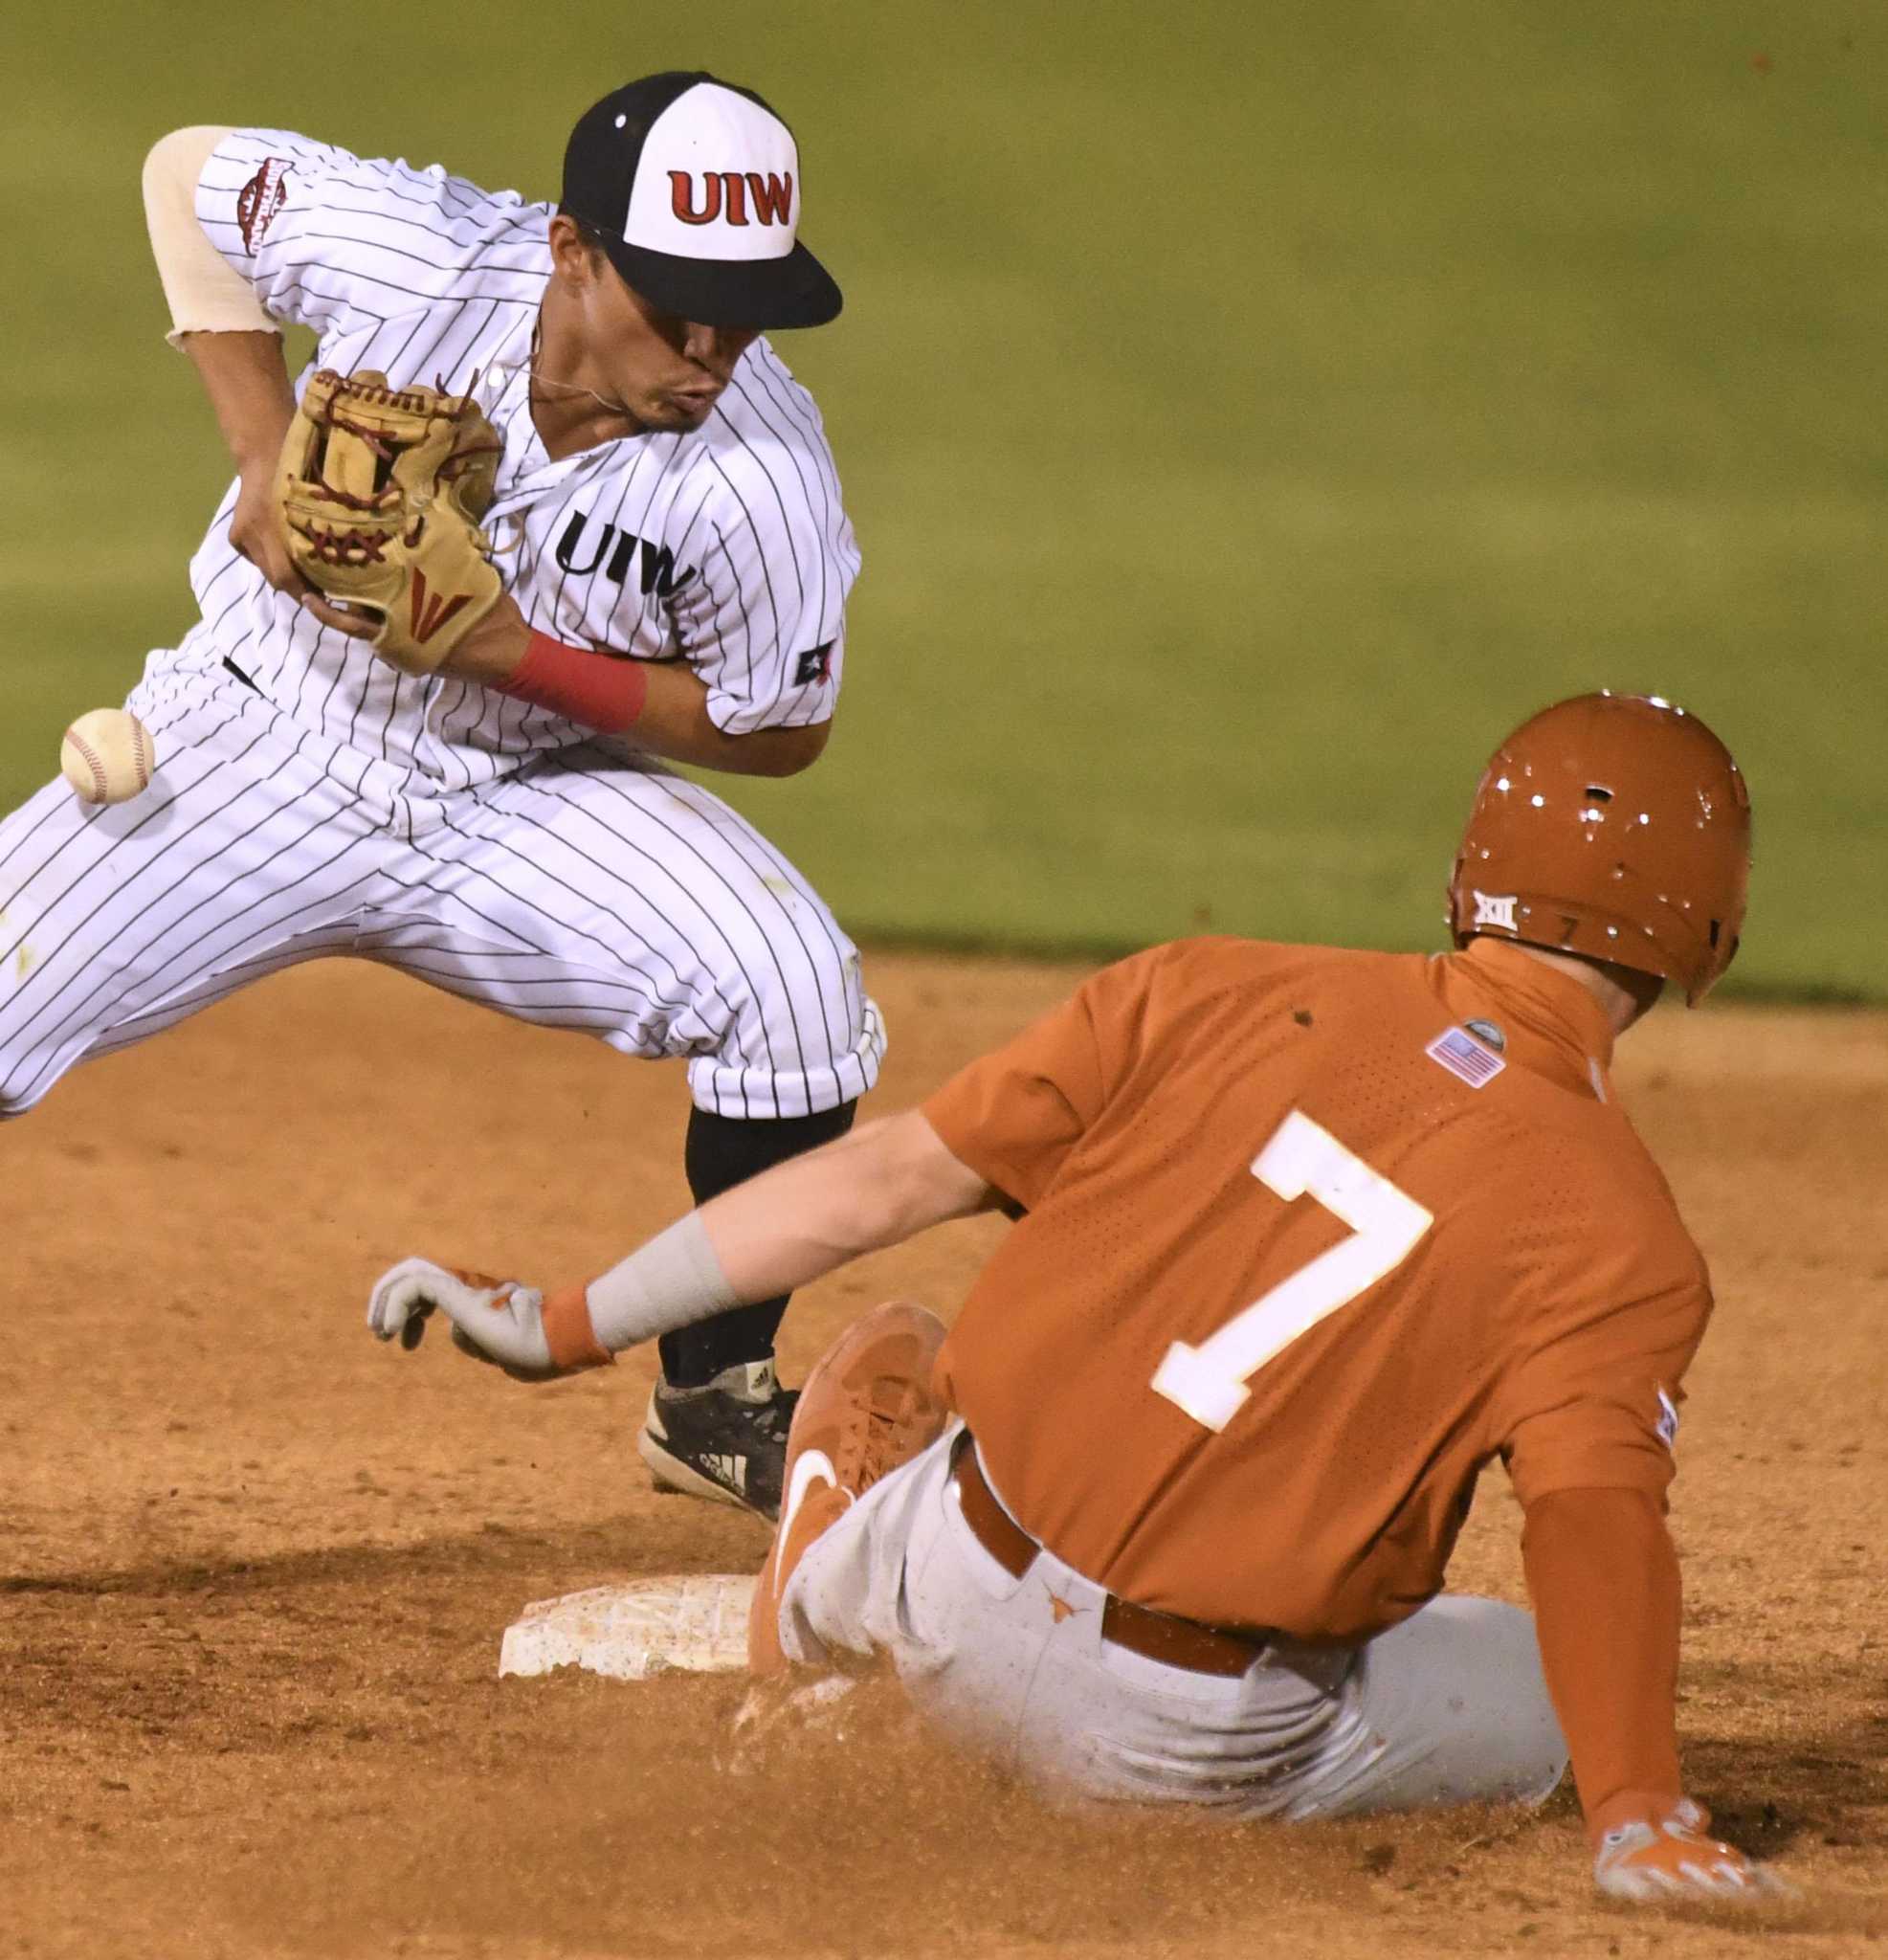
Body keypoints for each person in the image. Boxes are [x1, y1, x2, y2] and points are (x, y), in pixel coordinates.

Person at [367, 692, 1788, 1906]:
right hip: (1182, 1745)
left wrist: (569, 1323)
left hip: (946, 1589)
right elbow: (1594, 1524)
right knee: (1543, 1692)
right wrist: (1635, 1810)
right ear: (1703, 935)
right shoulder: (1624, 1244)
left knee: (896, 1357)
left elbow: (875, 1185)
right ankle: (896, 1654)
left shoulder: (1211, 988)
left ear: (1472, 872)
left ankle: (814, 1616)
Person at [0, 71, 881, 1520]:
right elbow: (186, 174)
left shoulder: (762, 472)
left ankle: (712, 1404)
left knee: (791, 989)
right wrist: (261, 451)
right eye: (676, 305)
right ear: (571, 251)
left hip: (517, 800)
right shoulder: (420, 253)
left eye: (746, 307)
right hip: (252, 738)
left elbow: (775, 727)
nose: (715, 347)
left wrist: (506, 655)